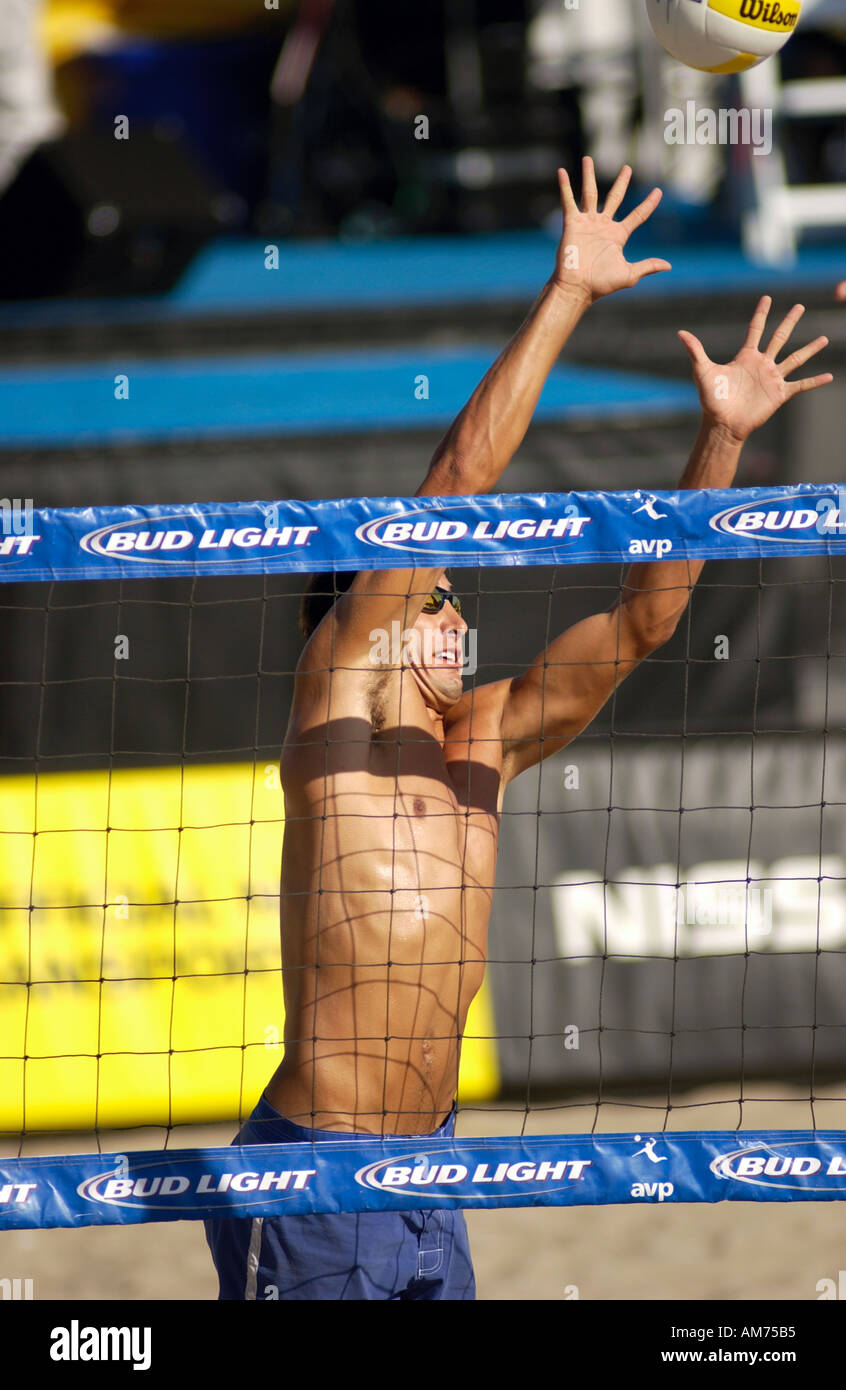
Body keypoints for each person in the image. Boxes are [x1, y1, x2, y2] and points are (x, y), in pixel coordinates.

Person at [205, 158, 832, 1300]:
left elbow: (643, 621)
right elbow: (453, 484)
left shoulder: (486, 738)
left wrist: (723, 440)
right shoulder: (333, 711)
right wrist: (569, 295)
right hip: (311, 1182)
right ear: (380, 616)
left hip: (436, 1177)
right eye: (440, 596)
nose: (460, 615)